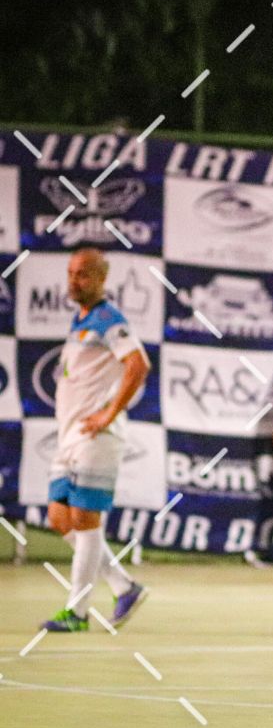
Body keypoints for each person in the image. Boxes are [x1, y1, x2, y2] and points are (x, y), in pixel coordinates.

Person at [41, 248, 150, 632]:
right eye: (71, 273)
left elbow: (138, 365)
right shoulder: (80, 321)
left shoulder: (109, 320)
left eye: (84, 274)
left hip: (97, 436)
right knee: (58, 516)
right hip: (70, 436)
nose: (74, 281)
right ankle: (124, 585)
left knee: (87, 522)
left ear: (102, 279)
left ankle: (78, 612)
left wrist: (109, 413)